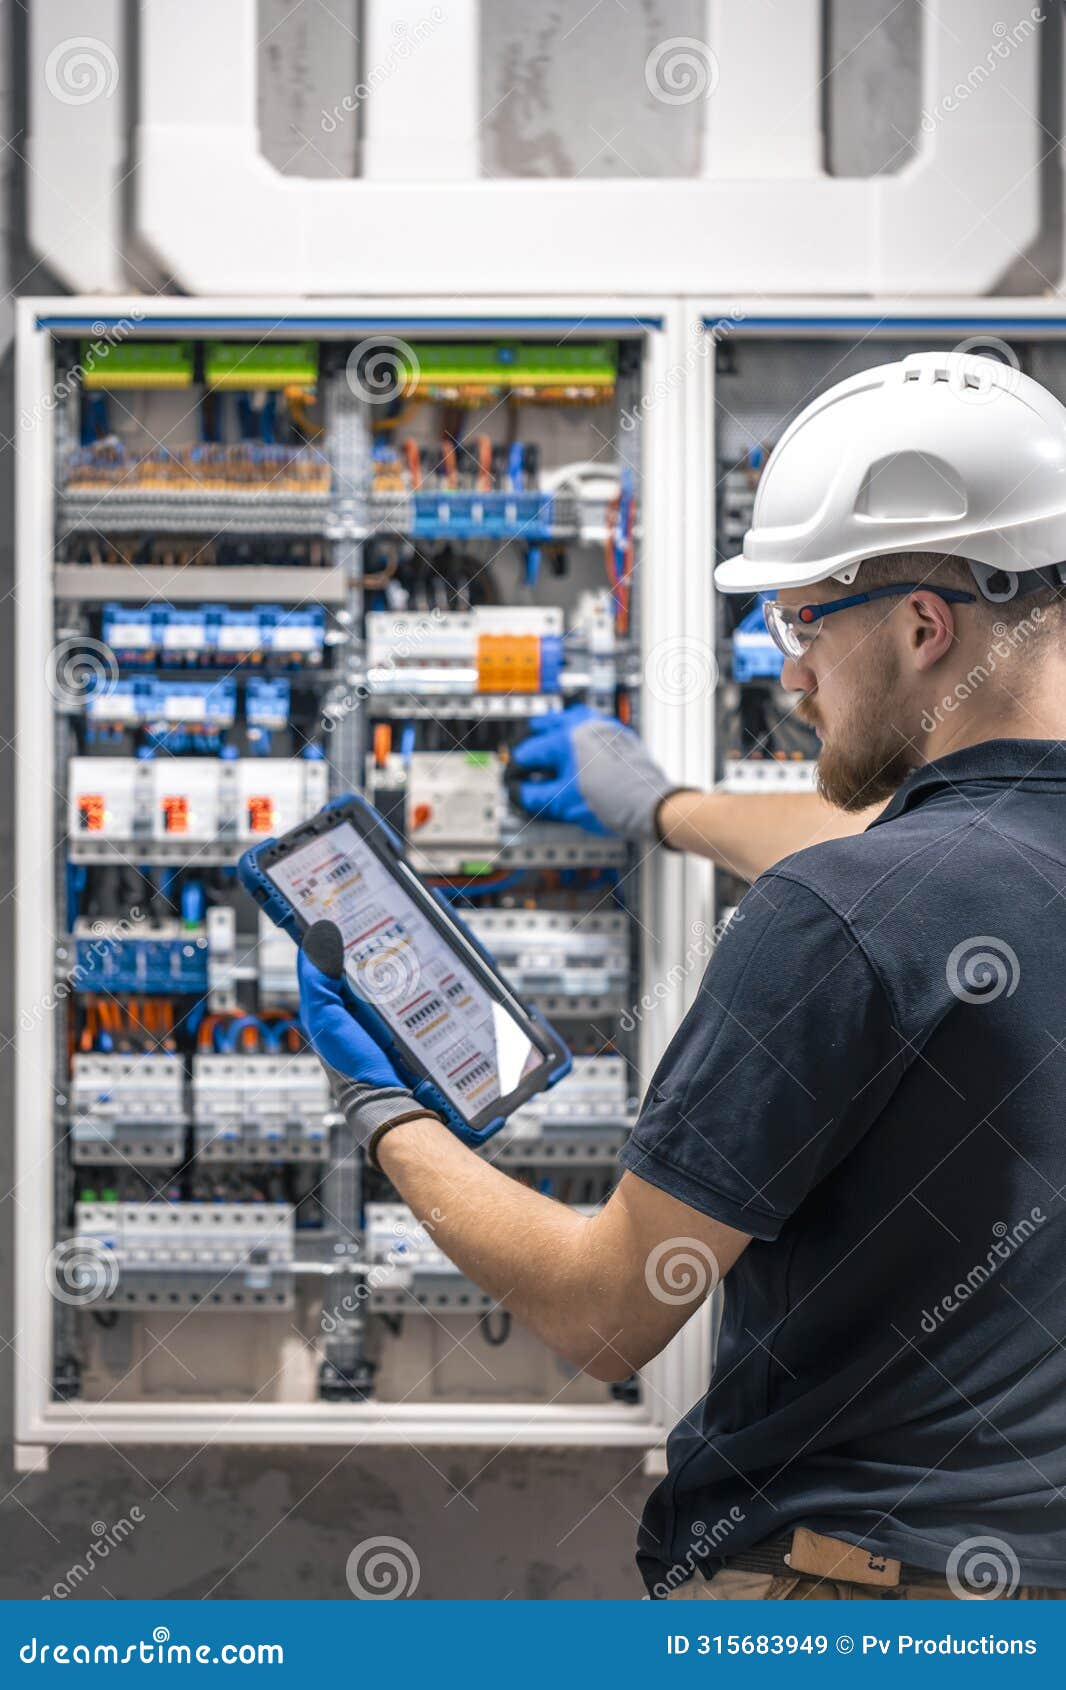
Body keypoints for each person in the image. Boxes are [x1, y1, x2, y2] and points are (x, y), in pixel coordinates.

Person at [299, 351, 1066, 1600]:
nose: (788, 671)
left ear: (926, 627)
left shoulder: (833, 919)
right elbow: (943, 864)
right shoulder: (920, 891)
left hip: (849, 1606)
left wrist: (386, 1111)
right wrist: (664, 808)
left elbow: (607, 1312)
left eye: (802, 618)